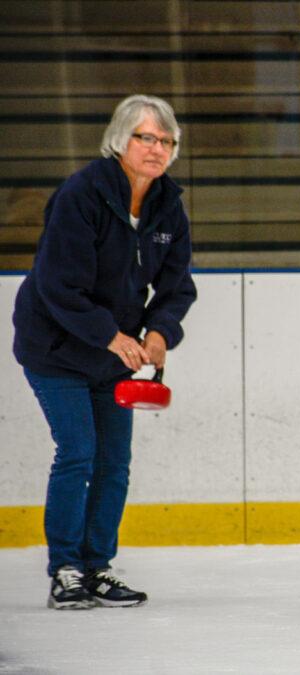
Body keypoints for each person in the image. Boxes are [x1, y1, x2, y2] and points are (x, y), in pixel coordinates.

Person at [12, 95, 197, 609]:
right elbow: (58, 286)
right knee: (78, 452)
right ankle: (65, 569)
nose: (158, 148)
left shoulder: (168, 206)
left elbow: (177, 285)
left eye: (167, 141)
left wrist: (159, 332)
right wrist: (113, 336)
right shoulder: (82, 195)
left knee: (115, 462)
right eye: (147, 137)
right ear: (121, 139)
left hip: (113, 355)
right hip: (54, 346)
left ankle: (97, 566)